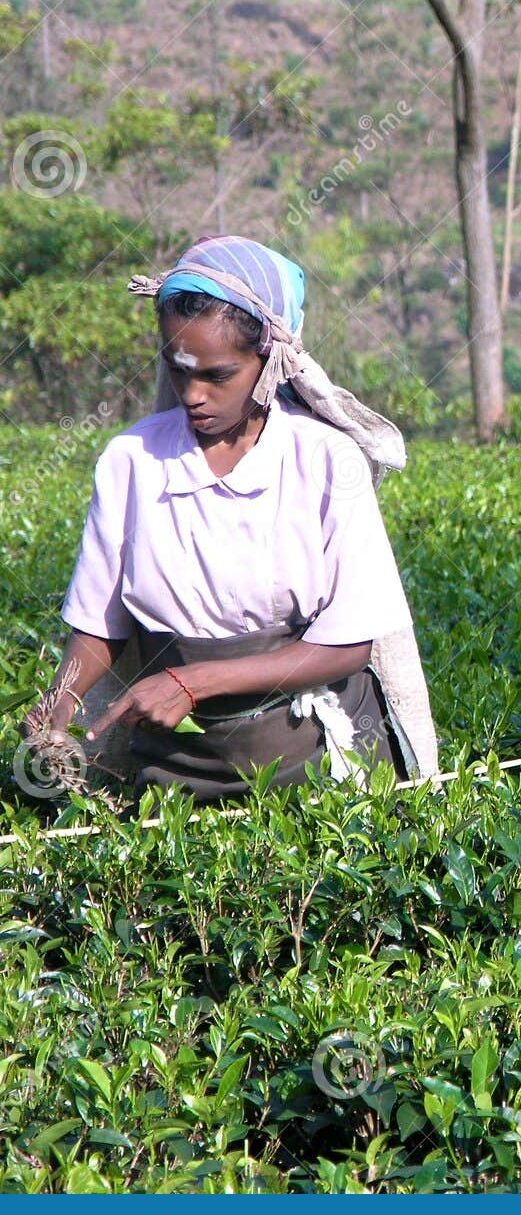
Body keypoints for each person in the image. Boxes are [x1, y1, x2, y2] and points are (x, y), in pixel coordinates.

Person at [23, 235, 438, 798]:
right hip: (176, 764)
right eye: (178, 370)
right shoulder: (131, 461)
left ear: (269, 363)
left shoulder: (324, 461)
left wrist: (193, 683)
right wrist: (59, 706)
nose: (193, 395)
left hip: (320, 761)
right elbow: (101, 621)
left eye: (217, 375)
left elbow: (350, 643)